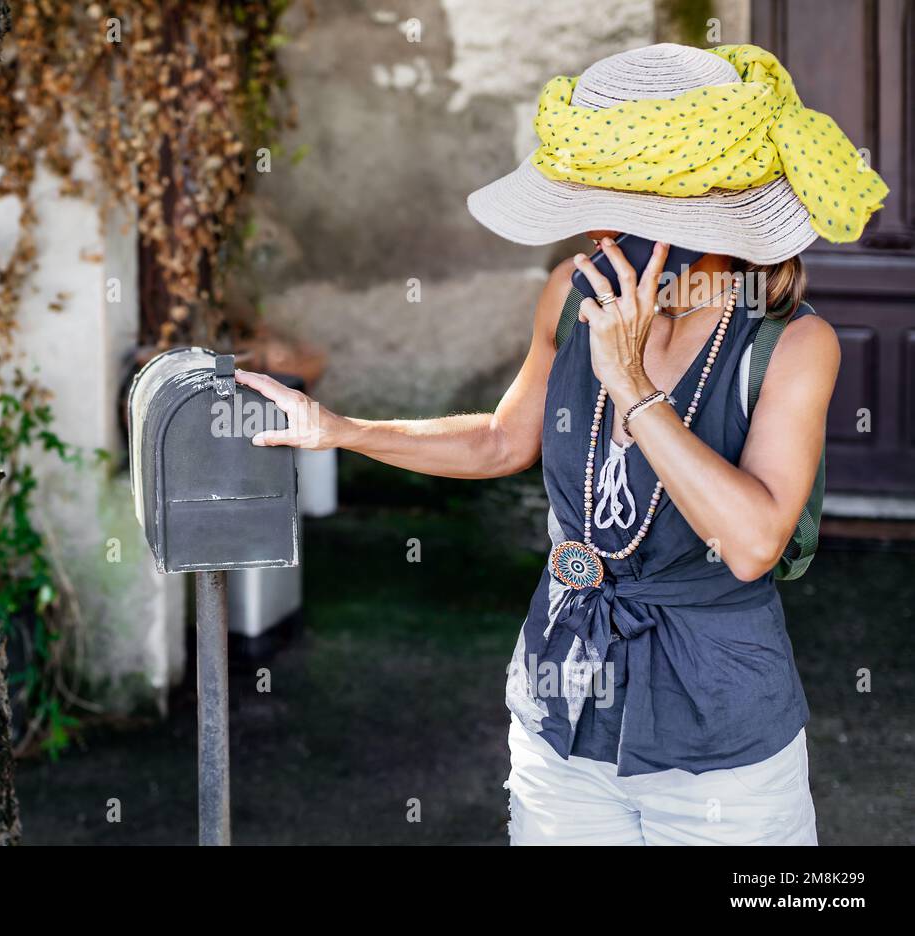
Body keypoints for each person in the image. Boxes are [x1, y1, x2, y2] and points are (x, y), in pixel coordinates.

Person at [235, 42, 888, 845]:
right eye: (601, 212)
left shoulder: (789, 344)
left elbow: (752, 543)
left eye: (637, 217)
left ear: (707, 218)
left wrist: (631, 383)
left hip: (721, 738)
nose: (605, 237)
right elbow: (505, 438)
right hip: (563, 706)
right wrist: (342, 430)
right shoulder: (568, 294)